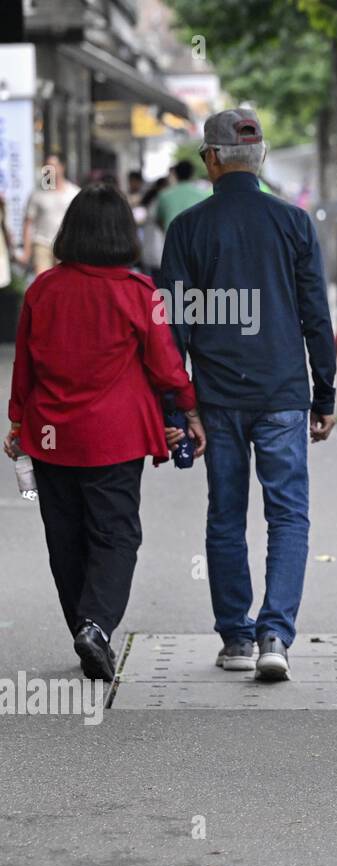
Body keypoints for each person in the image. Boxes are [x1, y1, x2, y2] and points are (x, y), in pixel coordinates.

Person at [158, 108, 337, 681]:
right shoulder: (294, 223)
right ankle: (275, 635)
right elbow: (316, 314)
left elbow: (172, 329)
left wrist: (179, 408)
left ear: (211, 159)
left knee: (225, 514)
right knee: (288, 515)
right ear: (258, 160)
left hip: (216, 398)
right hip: (284, 392)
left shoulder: (187, 229)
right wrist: (325, 392)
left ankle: (235, 637)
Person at [4, 183, 204, 680]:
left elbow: (23, 364)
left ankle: (84, 627)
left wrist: (16, 421)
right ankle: (94, 626)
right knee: (115, 535)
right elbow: (165, 366)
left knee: (65, 538)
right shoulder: (140, 293)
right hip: (114, 438)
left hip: (51, 435)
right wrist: (190, 408)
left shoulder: (43, 290)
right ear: (124, 235)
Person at [22, 154, 79, 276]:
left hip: (65, 245)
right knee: (42, 280)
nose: (49, 169)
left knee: (65, 282)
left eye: (53, 166)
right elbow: (28, 222)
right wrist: (26, 251)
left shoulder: (74, 192)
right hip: (42, 243)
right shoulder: (37, 193)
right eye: (46, 166)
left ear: (62, 167)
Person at [154, 159, 211, 233]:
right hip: (196, 238)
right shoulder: (203, 195)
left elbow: (159, 220)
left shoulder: (164, 195)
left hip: (172, 238)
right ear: (192, 174)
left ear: (175, 174)